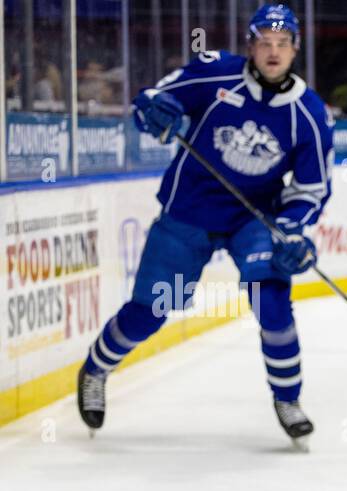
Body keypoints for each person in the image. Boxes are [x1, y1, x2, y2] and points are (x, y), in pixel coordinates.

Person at [76, 4, 333, 447]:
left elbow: (310, 189)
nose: (273, 53)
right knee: (151, 311)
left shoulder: (310, 114)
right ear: (250, 46)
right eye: (265, 44)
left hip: (253, 219)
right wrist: (154, 109)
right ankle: (96, 369)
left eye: (282, 44)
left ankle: (288, 400)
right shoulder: (216, 72)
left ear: (295, 49)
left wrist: (291, 229)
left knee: (271, 299)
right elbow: (159, 98)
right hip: (188, 213)